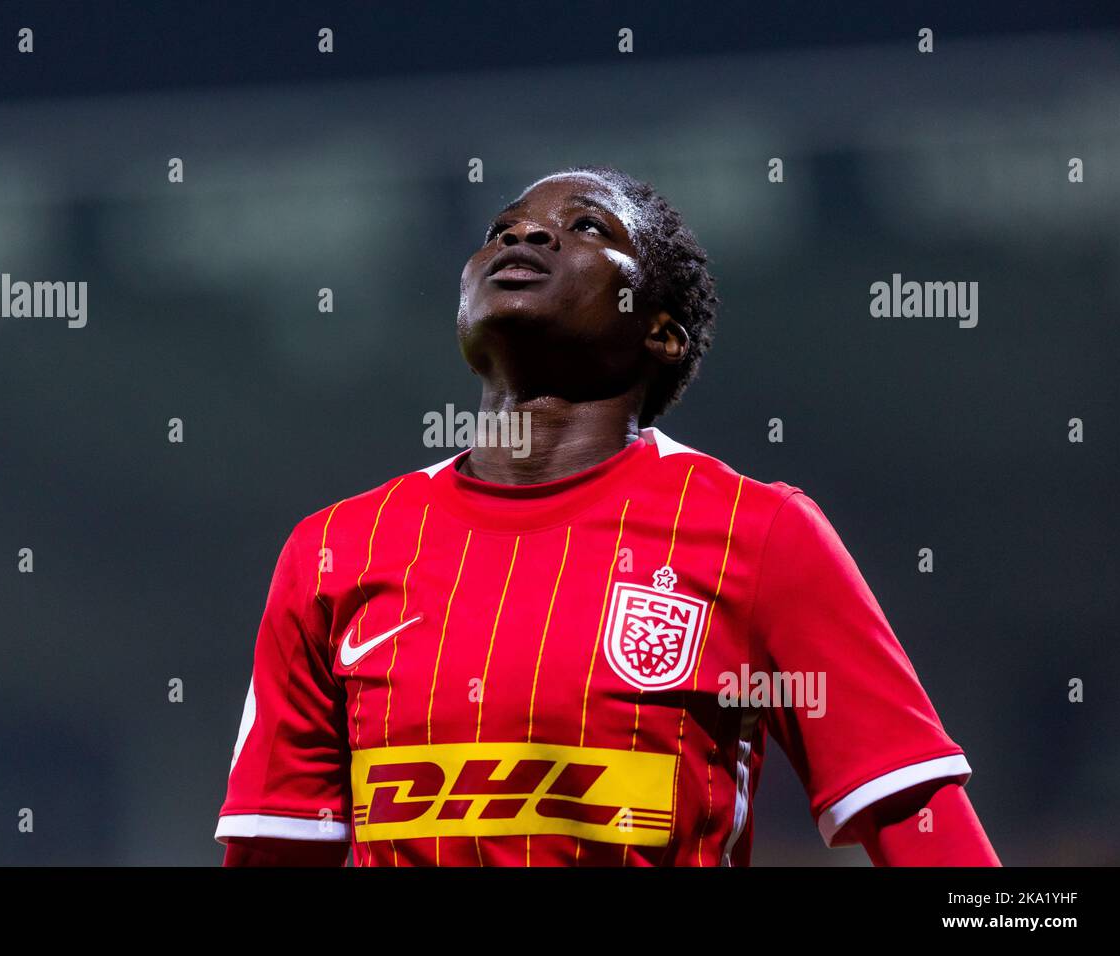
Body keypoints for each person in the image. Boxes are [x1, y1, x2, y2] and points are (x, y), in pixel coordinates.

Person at [215, 165, 1000, 866]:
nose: (524, 233)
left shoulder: (757, 533)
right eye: (502, 230)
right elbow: (274, 848)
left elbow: (914, 812)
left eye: (586, 226)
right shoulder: (336, 549)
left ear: (659, 330)